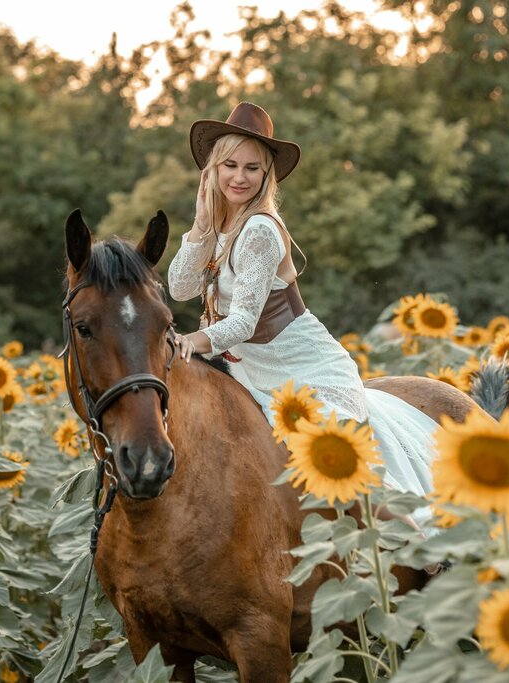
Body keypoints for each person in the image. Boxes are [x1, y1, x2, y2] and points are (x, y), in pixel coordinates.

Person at [167, 101, 439, 511]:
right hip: (251, 370)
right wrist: (201, 227)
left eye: (252, 168)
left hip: (301, 369)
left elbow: (242, 322)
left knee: (331, 461)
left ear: (266, 175)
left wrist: (190, 340)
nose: (240, 177)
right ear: (213, 170)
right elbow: (180, 289)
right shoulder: (219, 226)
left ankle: (413, 533)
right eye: (230, 165)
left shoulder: (259, 228)